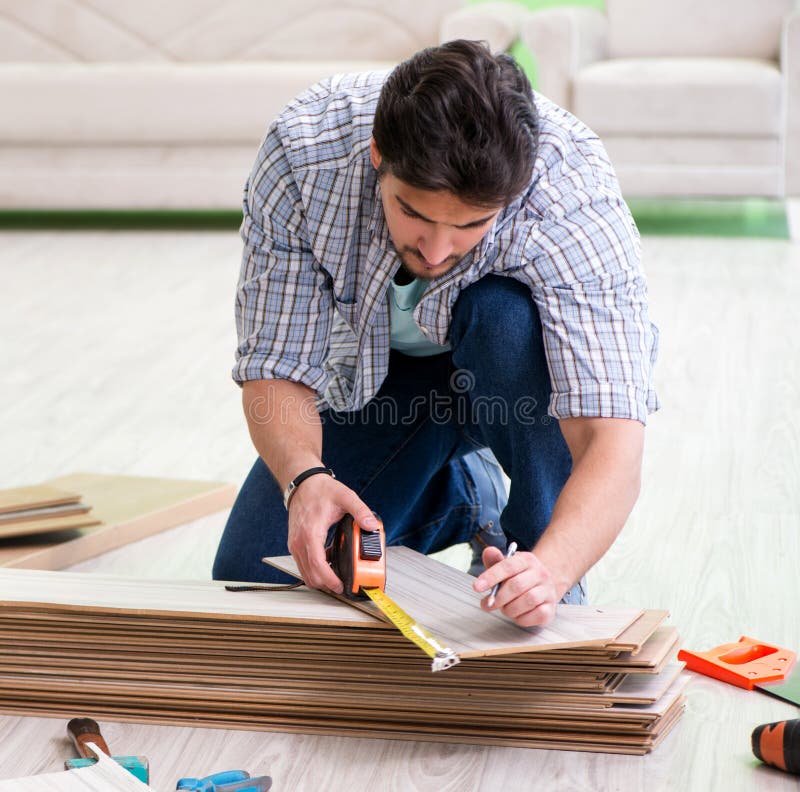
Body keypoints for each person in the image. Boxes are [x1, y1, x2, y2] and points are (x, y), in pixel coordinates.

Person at [212, 39, 659, 628]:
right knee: (259, 578)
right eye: (415, 214)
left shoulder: (572, 195)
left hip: (514, 375)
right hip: (384, 386)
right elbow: (277, 364)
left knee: (503, 317)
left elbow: (612, 440)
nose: (437, 248)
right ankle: (463, 500)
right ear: (377, 156)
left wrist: (554, 567)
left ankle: (530, 554)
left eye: (471, 225)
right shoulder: (304, 152)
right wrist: (304, 480)